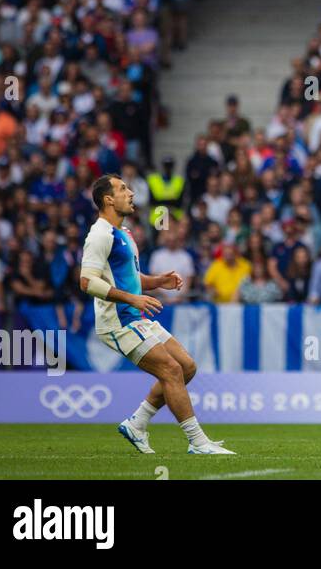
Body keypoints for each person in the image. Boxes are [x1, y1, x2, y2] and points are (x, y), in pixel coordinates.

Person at [78, 174, 234, 455]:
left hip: (134, 316)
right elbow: (87, 281)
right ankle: (197, 442)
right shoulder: (99, 234)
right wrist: (132, 298)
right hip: (118, 322)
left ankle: (137, 423)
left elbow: (128, 278)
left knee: (186, 366)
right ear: (108, 199)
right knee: (171, 370)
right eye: (123, 189)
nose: (131, 193)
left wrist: (158, 281)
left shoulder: (124, 233)